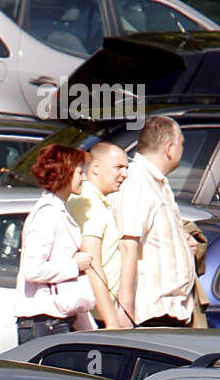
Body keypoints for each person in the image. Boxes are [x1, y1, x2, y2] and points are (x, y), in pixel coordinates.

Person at [117, 116, 200, 328]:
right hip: (152, 314)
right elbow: (128, 245)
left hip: (172, 311)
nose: (182, 149)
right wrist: (125, 311)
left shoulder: (157, 183)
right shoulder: (138, 183)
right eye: (181, 143)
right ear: (169, 148)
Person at [15, 145, 96, 343]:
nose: (83, 178)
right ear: (64, 172)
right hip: (44, 323)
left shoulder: (57, 210)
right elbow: (33, 270)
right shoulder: (47, 214)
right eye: (79, 172)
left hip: (56, 321)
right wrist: (75, 265)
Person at [68, 141, 129, 329]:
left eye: (126, 168)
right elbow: (92, 265)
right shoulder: (89, 204)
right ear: (95, 168)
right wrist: (111, 322)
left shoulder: (96, 201)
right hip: (95, 317)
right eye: (118, 167)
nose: (124, 175)